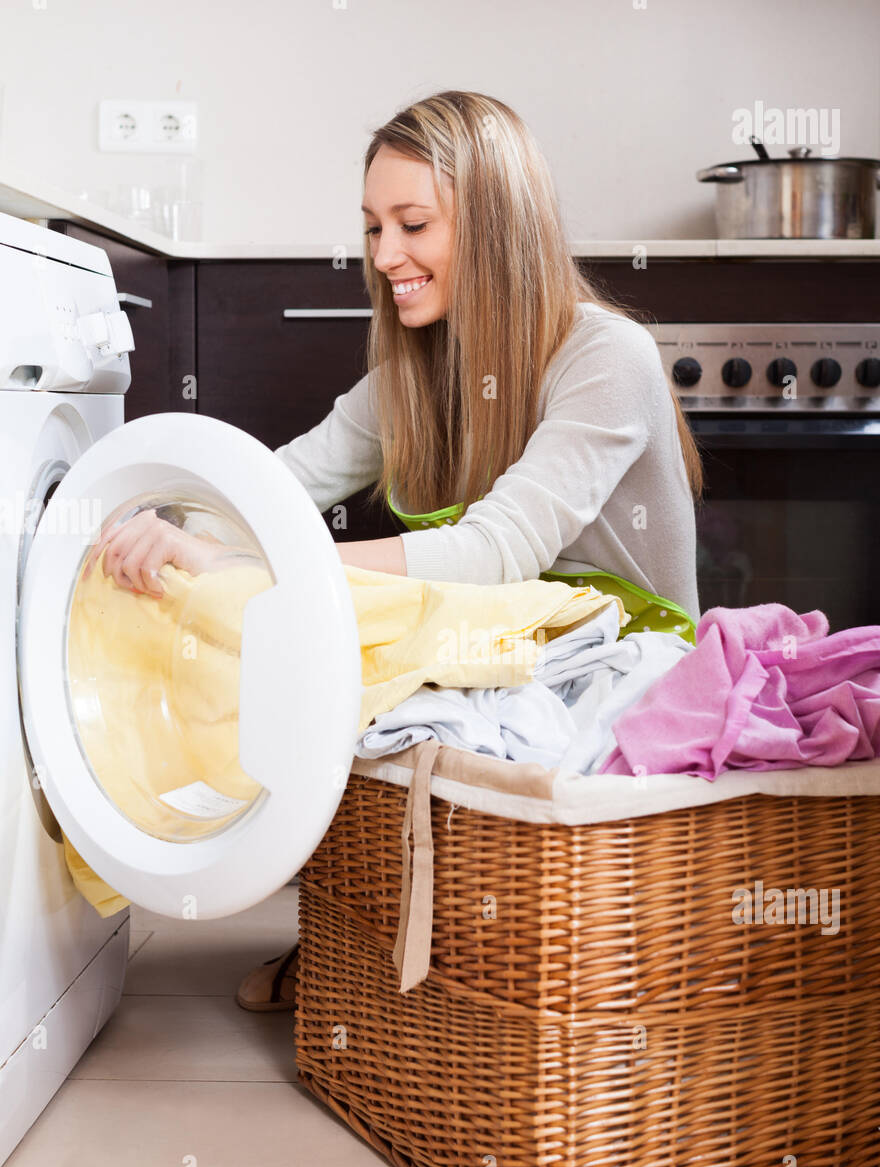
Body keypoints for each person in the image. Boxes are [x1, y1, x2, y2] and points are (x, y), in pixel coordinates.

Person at [88, 90, 703, 1010]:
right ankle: (353, 933)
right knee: (281, 617)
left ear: (496, 227)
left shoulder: (605, 354)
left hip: (615, 660)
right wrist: (174, 524)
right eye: (374, 226)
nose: (384, 258)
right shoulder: (412, 376)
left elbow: (499, 550)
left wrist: (257, 565)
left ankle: (385, 949)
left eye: (412, 224)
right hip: (489, 650)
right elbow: (280, 483)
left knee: (302, 611)